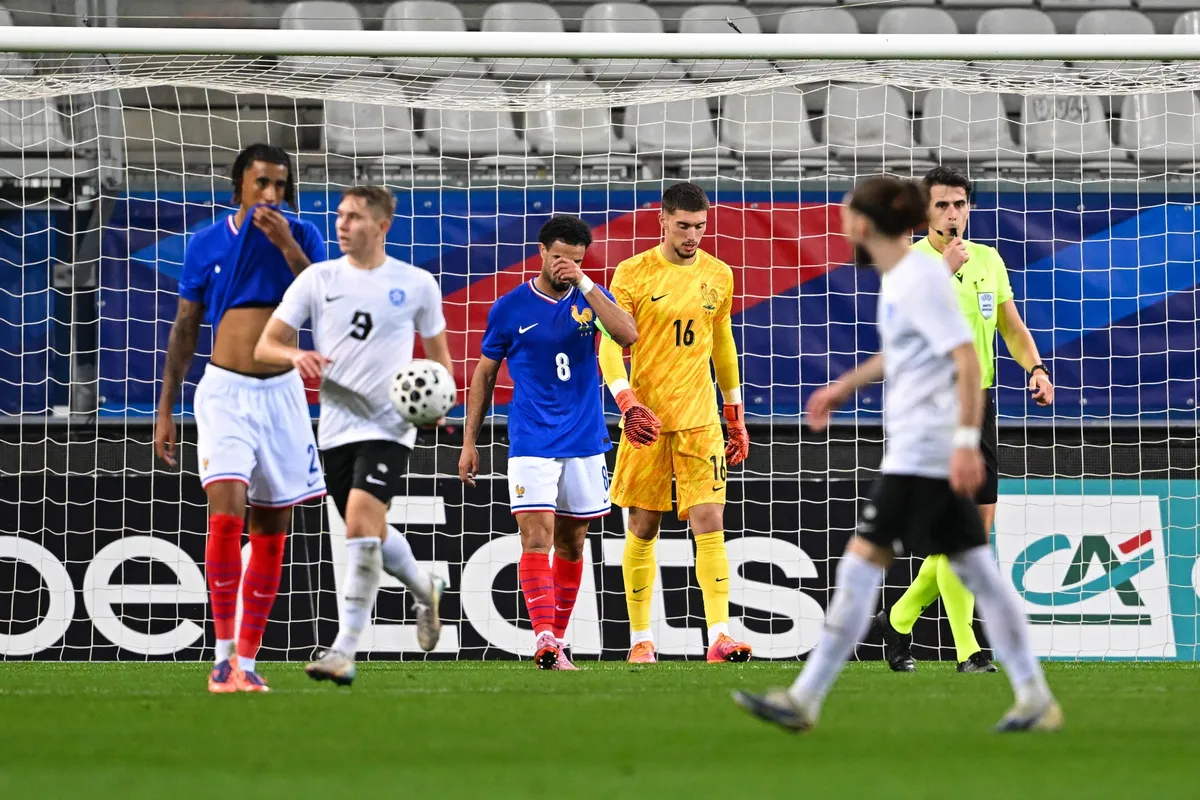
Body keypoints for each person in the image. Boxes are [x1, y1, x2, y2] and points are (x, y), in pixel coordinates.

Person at [733, 176, 1061, 733]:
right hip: (923, 447)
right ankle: (1033, 696)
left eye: (844, 218)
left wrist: (962, 443)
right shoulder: (907, 276)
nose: (840, 227)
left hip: (926, 452)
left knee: (864, 565)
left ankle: (805, 698)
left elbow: (967, 359)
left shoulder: (919, 279)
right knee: (976, 571)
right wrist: (843, 387)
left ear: (863, 225)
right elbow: (904, 353)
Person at [255, 186, 452, 686]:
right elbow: (266, 344)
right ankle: (423, 585)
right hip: (336, 427)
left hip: (390, 426)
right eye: (341, 216)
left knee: (361, 525)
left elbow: (439, 358)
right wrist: (295, 356)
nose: (342, 225)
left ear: (383, 225)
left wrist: (438, 405)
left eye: (355, 218)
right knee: (370, 533)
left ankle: (343, 650)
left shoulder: (416, 284)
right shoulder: (319, 279)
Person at [154, 143, 328, 693]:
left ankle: (247, 663)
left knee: (273, 529)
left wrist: (285, 245)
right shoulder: (206, 242)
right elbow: (185, 329)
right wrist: (166, 409)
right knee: (226, 512)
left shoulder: (303, 236)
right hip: (225, 392)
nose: (272, 195)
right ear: (239, 187)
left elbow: (327, 303)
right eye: (262, 184)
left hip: (282, 396)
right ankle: (223, 656)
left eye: (280, 185)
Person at [875, 166, 1055, 674]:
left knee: (975, 529)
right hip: (933, 407)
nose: (951, 214)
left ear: (969, 207)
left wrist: (1036, 367)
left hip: (980, 405)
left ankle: (900, 619)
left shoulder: (988, 260)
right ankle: (968, 649)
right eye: (941, 205)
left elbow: (1009, 325)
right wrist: (946, 272)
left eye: (959, 204)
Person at [458, 216, 637, 669]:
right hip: (532, 440)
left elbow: (628, 334)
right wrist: (469, 442)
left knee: (573, 543)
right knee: (535, 537)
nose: (567, 266)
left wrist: (588, 285)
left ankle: (556, 643)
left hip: (584, 439)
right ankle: (543, 638)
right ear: (541, 251)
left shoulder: (590, 300)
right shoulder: (509, 307)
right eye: (560, 257)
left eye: (576, 259)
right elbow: (483, 374)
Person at [599, 182, 752, 664]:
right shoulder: (633, 272)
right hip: (646, 418)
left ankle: (720, 636)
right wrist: (625, 401)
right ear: (661, 221)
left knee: (710, 519)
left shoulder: (718, 274)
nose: (692, 236)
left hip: (700, 419)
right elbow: (609, 343)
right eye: (683, 226)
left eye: (700, 227)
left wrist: (735, 414)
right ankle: (641, 639)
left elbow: (722, 345)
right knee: (643, 526)